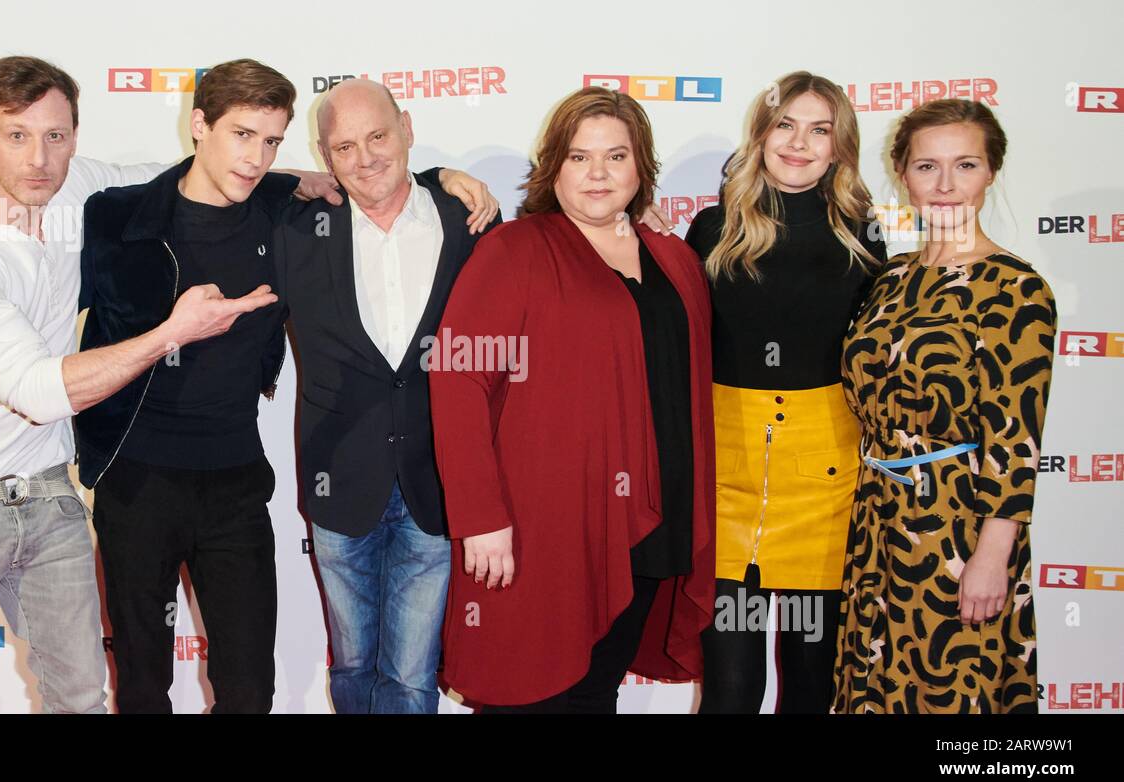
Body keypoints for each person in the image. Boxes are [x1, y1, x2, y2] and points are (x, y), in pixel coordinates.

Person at [77, 69, 495, 714]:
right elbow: (50, 305)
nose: (257, 156)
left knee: (250, 691)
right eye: (243, 134)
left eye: (272, 141)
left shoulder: (281, 216)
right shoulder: (117, 215)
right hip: (137, 482)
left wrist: (443, 177)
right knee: (140, 685)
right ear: (199, 126)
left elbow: (379, 178)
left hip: (236, 480)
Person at [0, 56, 288, 714]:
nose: (39, 158)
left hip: (46, 490)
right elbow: (40, 390)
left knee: (81, 694)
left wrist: (349, 179)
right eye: (16, 135)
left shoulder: (80, 191)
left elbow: (212, 177)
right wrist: (172, 331)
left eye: (57, 135)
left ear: (76, 135)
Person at [429, 86, 715, 712]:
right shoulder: (516, 250)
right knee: (536, 691)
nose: (597, 173)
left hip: (649, 524)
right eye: (579, 157)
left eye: (616, 156)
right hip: (544, 528)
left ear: (642, 167)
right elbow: (458, 380)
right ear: (553, 165)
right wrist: (480, 516)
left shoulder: (673, 258)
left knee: (596, 690)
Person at [274, 79, 499, 714]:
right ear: (323, 156)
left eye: (378, 136)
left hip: (438, 476)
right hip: (337, 477)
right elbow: (226, 183)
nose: (366, 157)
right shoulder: (296, 228)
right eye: (344, 146)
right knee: (350, 662)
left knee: (409, 673)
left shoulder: (467, 217)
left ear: (406, 126)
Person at [834, 99, 1055, 713]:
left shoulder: (1015, 288)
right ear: (902, 173)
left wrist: (993, 555)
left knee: (949, 691)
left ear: (991, 173)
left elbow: (1017, 436)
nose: (946, 184)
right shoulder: (889, 278)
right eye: (927, 167)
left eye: (966, 165)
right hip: (876, 519)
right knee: (872, 686)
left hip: (957, 526)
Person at [684, 71, 884, 713]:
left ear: (839, 146)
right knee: (731, 690)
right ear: (762, 134)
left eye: (819, 129)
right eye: (785, 126)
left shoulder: (863, 235)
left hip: (825, 490)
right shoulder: (712, 229)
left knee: (809, 685)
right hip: (727, 485)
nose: (799, 143)